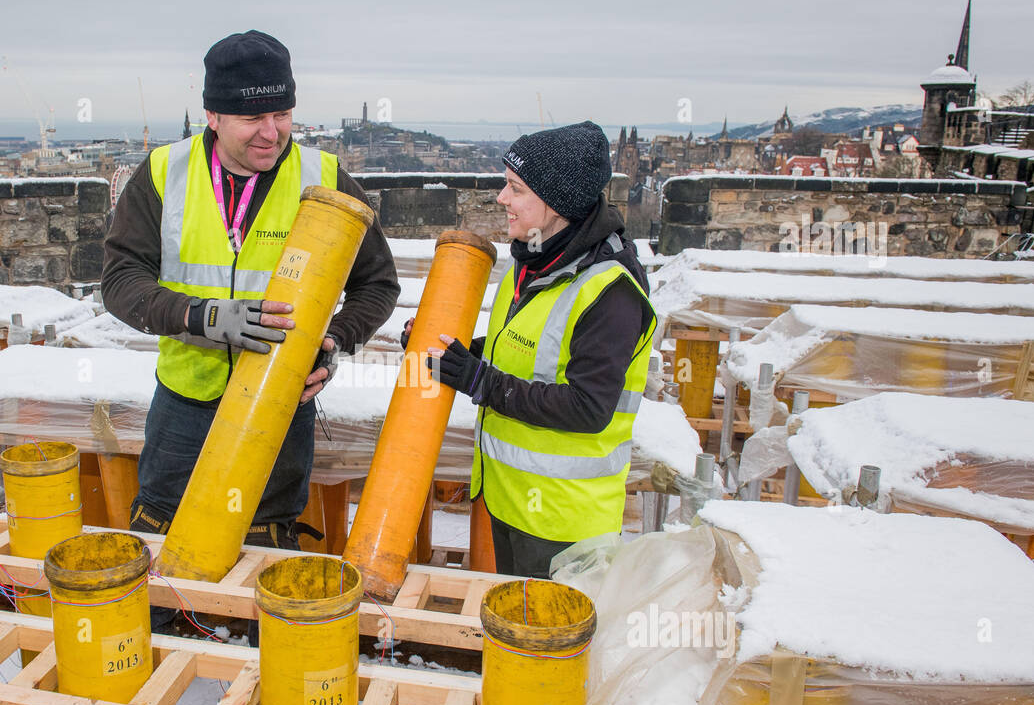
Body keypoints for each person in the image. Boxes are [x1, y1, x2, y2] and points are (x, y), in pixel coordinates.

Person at [101, 30, 399, 556]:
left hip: (281, 405)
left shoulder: (325, 178)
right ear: (212, 117)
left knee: (266, 541)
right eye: (251, 120)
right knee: (163, 538)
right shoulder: (163, 174)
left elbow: (376, 284)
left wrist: (331, 342)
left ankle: (249, 638)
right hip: (186, 403)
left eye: (282, 114)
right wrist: (201, 316)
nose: (271, 133)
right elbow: (121, 282)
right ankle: (167, 631)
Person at [420, 121, 655, 579]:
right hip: (512, 500)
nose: (502, 199)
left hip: (564, 522)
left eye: (516, 188)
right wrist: (456, 352)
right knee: (514, 639)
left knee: (542, 646)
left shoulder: (610, 290)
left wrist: (477, 380)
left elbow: (587, 407)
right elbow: (528, 350)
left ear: (557, 203)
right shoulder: (535, 258)